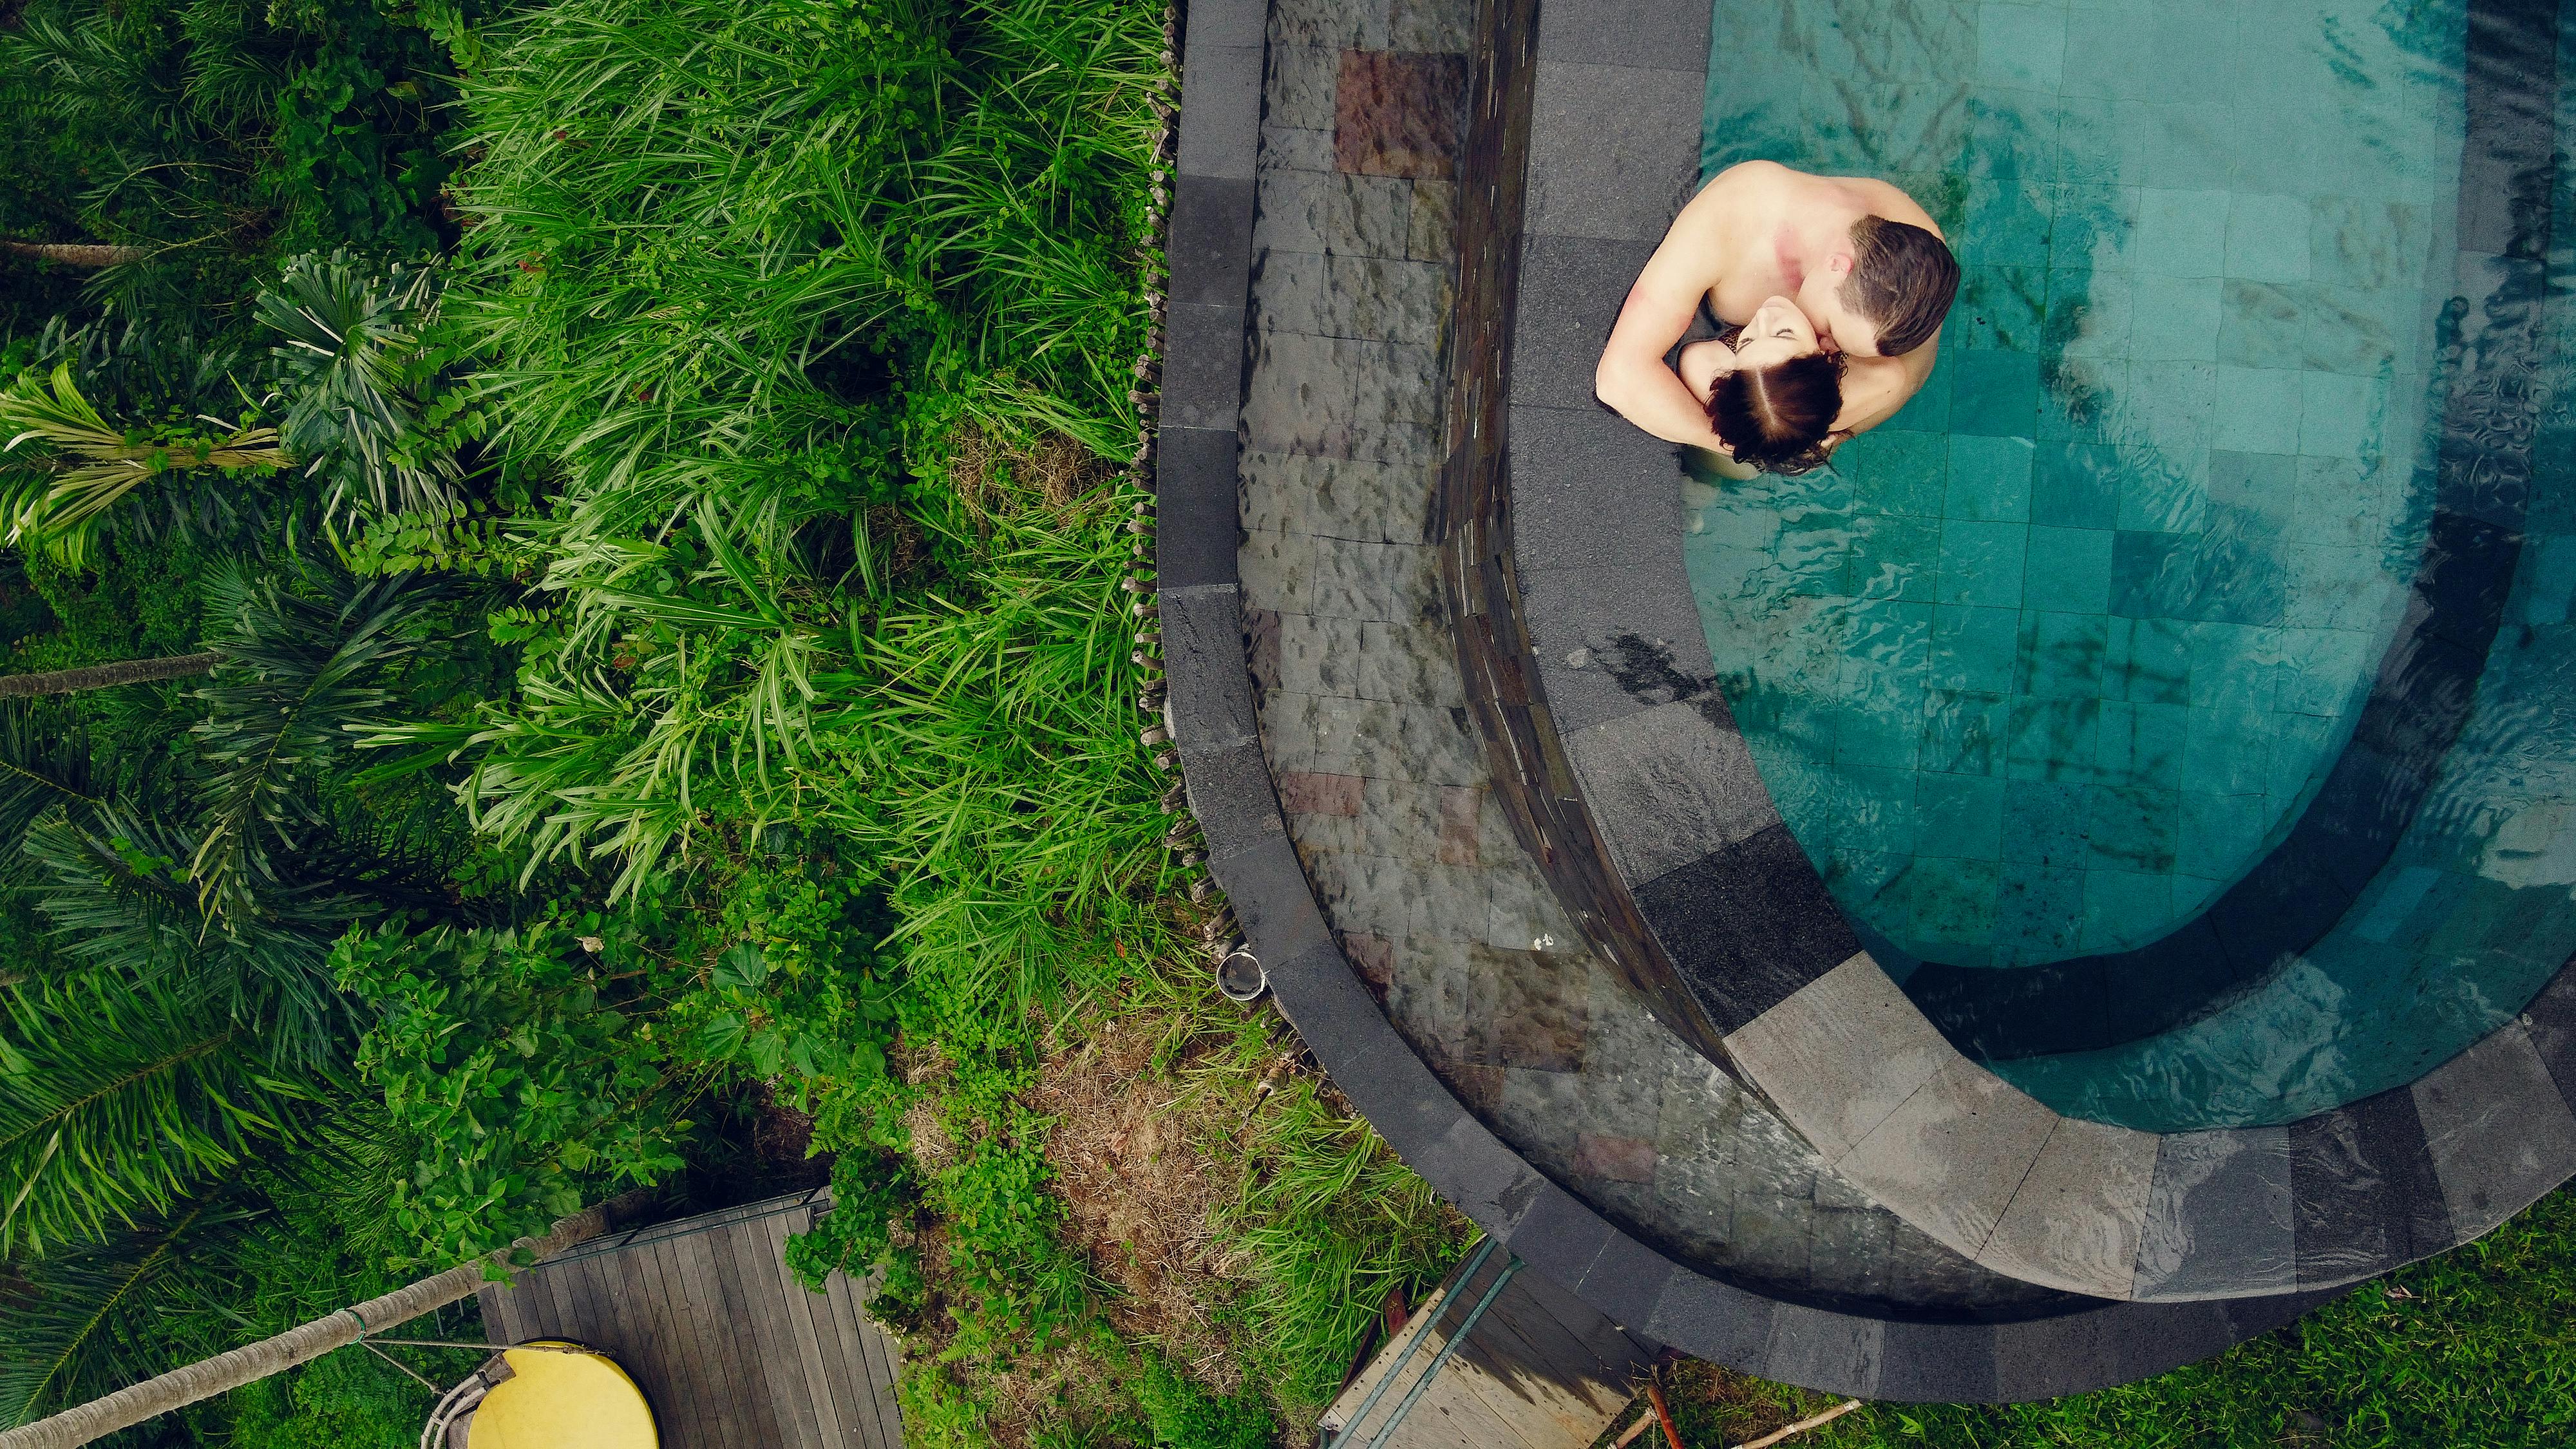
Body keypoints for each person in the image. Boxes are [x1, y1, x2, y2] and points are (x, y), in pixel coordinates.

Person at [1594, 160, 1958, 477]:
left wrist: (1814, 431)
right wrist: (1741, 442)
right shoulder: (1737, 216)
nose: (1825, 345)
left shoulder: (1915, 280)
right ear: (1836, 265)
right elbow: (1619, 376)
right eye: (1829, 330)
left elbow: (1904, 380)